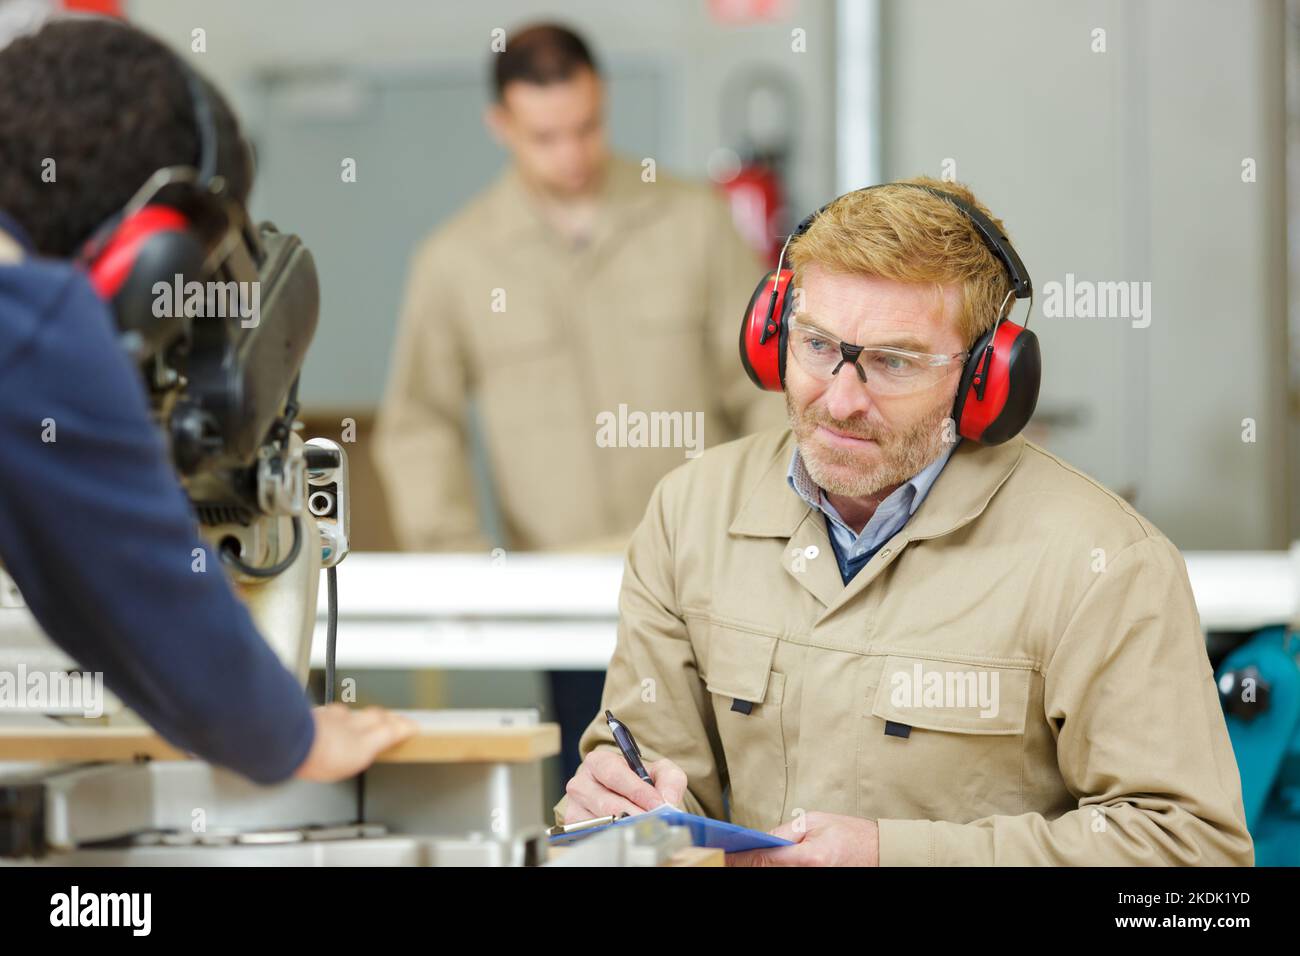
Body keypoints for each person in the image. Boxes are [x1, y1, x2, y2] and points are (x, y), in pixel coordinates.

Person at [555, 179, 1254, 866]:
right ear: (772, 336)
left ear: (985, 378)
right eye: (819, 346)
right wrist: (618, 814)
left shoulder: (1102, 562)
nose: (842, 400)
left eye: (893, 361)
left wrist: (897, 856)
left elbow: (1192, 855)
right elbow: (651, 786)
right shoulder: (691, 514)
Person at [0, 17, 415, 785]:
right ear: (148, 252)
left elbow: (69, 573)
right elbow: (122, 585)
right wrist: (289, 736)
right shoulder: (30, 317)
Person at [373, 22, 784, 780]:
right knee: (596, 794)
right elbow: (419, 422)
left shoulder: (693, 219)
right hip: (562, 597)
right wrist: (457, 559)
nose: (571, 153)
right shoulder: (457, 259)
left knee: (736, 792)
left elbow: (768, 388)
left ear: (605, 102)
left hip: (705, 578)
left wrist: (770, 530)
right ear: (501, 125)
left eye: (587, 127)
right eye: (545, 136)